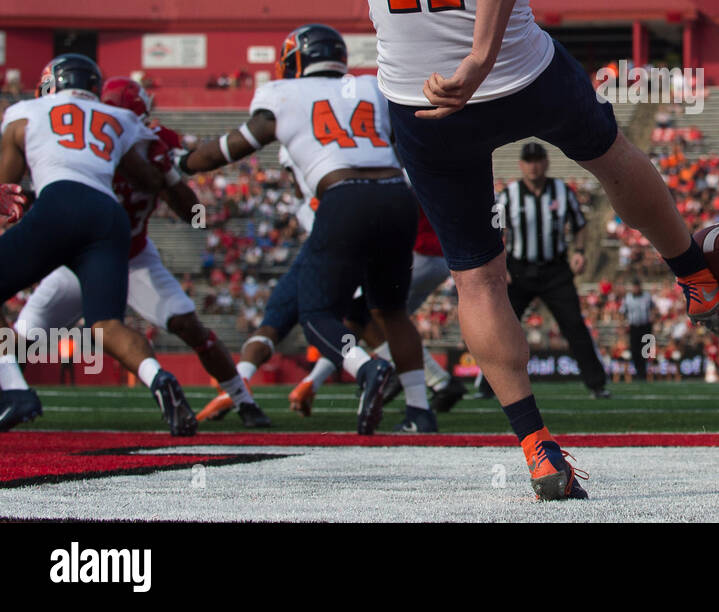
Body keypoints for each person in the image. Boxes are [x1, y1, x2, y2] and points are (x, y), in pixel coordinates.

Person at [293, 0, 719, 499]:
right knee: (610, 155)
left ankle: (534, 444)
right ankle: (695, 277)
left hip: (414, 95)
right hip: (515, 69)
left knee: (477, 275)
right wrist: (478, 58)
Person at [177, 25, 432, 434]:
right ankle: (420, 411)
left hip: (344, 196)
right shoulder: (370, 86)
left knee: (315, 312)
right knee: (392, 312)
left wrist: (184, 162)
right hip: (396, 196)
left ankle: (366, 369)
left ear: (295, 60)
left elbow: (234, 147)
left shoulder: (281, 93)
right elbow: (404, 143)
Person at [13, 77, 271, 428]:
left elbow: (195, 216)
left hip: (131, 256)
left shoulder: (153, 144)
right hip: (81, 258)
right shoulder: (96, 144)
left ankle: (243, 400)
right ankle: (13, 398)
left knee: (189, 327)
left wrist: (167, 176)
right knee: (23, 338)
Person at [0, 55, 198, 435]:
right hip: (109, 218)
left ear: (50, 84)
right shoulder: (118, 119)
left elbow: (7, 194)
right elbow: (149, 180)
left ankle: (14, 391)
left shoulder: (24, 112)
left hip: (58, 204)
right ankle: (159, 380)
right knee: (106, 325)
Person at [482, 142, 609, 399]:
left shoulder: (562, 192)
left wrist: (580, 252)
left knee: (574, 324)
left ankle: (597, 384)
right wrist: (499, 265)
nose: (534, 165)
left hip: (555, 270)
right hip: (518, 270)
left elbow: (580, 225)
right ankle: (488, 386)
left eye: (538, 160)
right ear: (521, 165)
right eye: (529, 161)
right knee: (502, 328)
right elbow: (494, 231)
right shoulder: (509, 196)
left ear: (546, 163)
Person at [621, 280, 655, 381]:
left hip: (645, 326)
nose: (636, 289)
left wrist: (653, 318)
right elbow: (622, 311)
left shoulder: (647, 296)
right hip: (633, 327)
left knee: (645, 350)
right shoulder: (628, 298)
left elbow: (653, 308)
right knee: (635, 350)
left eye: (637, 286)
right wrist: (622, 324)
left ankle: (643, 373)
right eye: (634, 287)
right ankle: (638, 372)